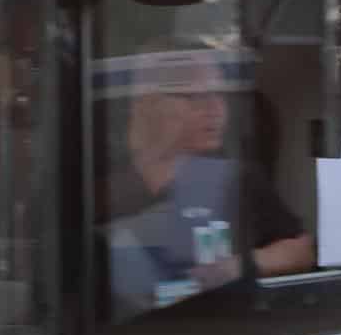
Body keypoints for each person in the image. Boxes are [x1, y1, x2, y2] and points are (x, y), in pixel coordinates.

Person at [101, 38, 313, 317]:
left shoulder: (236, 180)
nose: (215, 109)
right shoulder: (99, 182)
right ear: (148, 103)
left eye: (219, 94)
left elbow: (302, 252)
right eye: (194, 96)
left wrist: (238, 266)